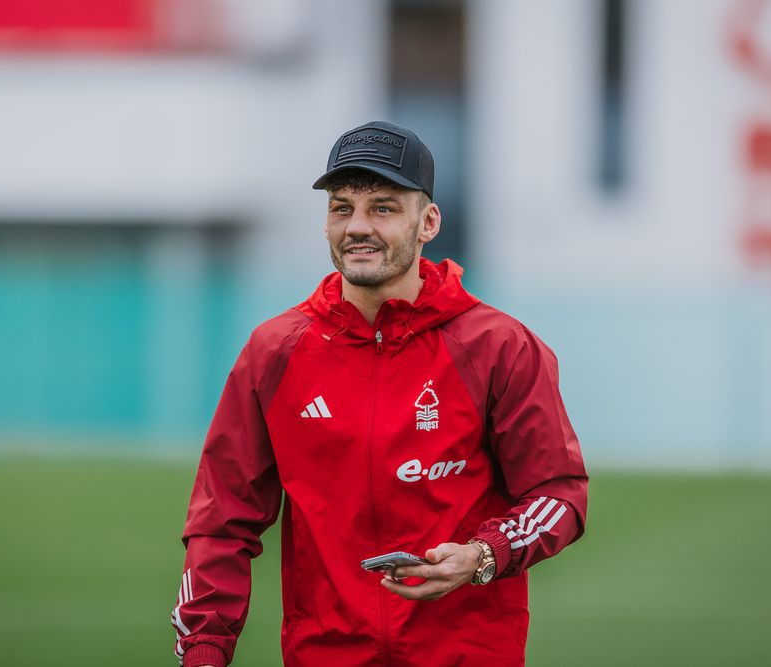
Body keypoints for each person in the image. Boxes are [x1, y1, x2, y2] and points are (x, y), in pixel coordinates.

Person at [171, 120, 588, 667]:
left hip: (466, 655)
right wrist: (205, 647)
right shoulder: (274, 352)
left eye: (384, 208)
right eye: (341, 208)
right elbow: (221, 517)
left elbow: (559, 494)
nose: (357, 227)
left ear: (428, 222)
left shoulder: (498, 347)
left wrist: (484, 554)